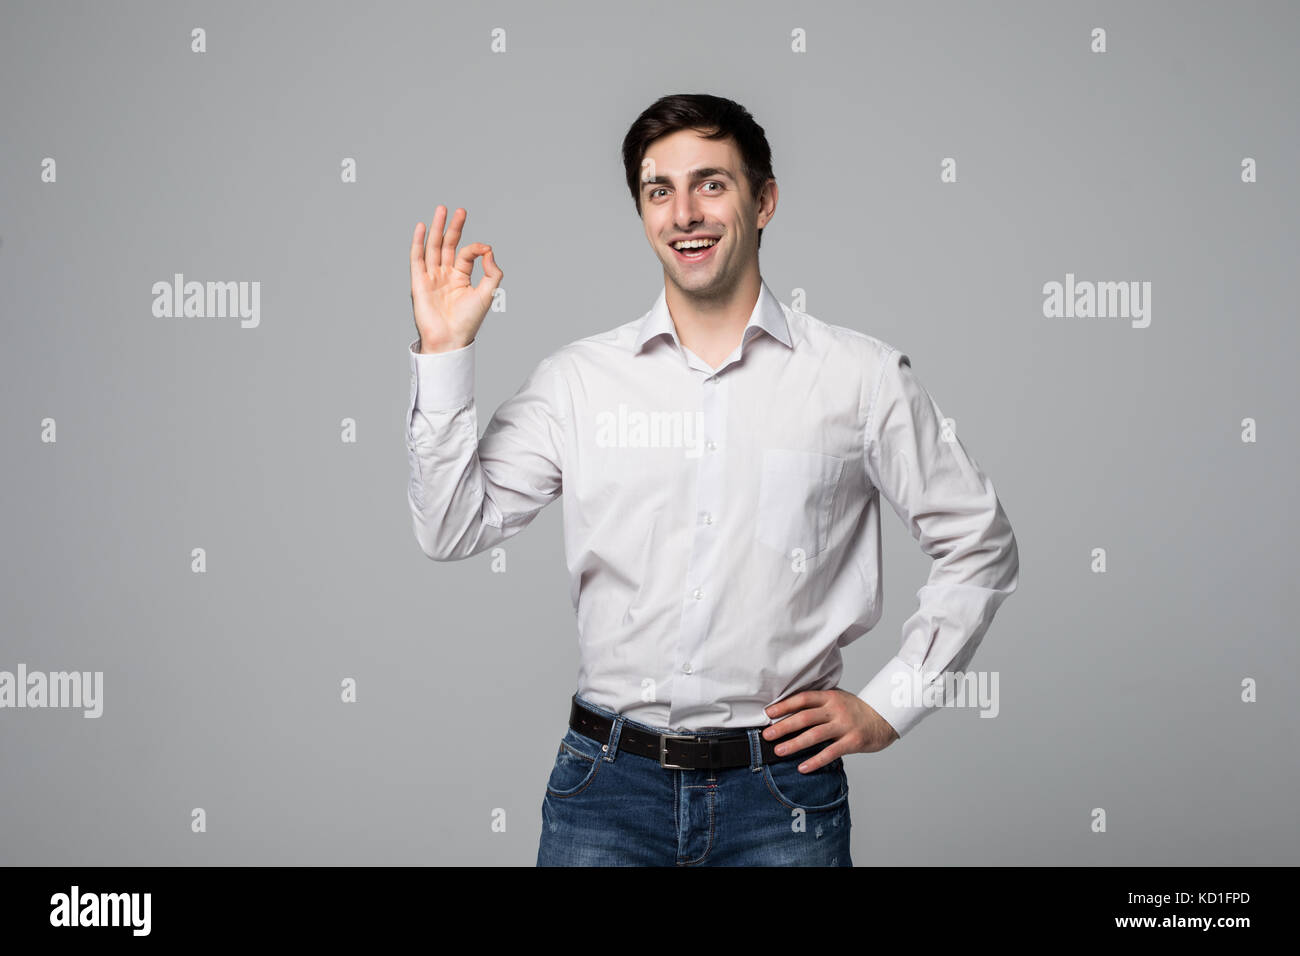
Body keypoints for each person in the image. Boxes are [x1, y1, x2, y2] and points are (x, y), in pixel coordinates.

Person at [403, 93, 1019, 866]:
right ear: (642, 211)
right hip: (605, 791)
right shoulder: (576, 383)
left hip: (781, 798)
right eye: (659, 191)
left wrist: (892, 705)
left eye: (712, 184)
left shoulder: (859, 378)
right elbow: (450, 527)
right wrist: (444, 352)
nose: (684, 213)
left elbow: (979, 543)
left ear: (763, 201)